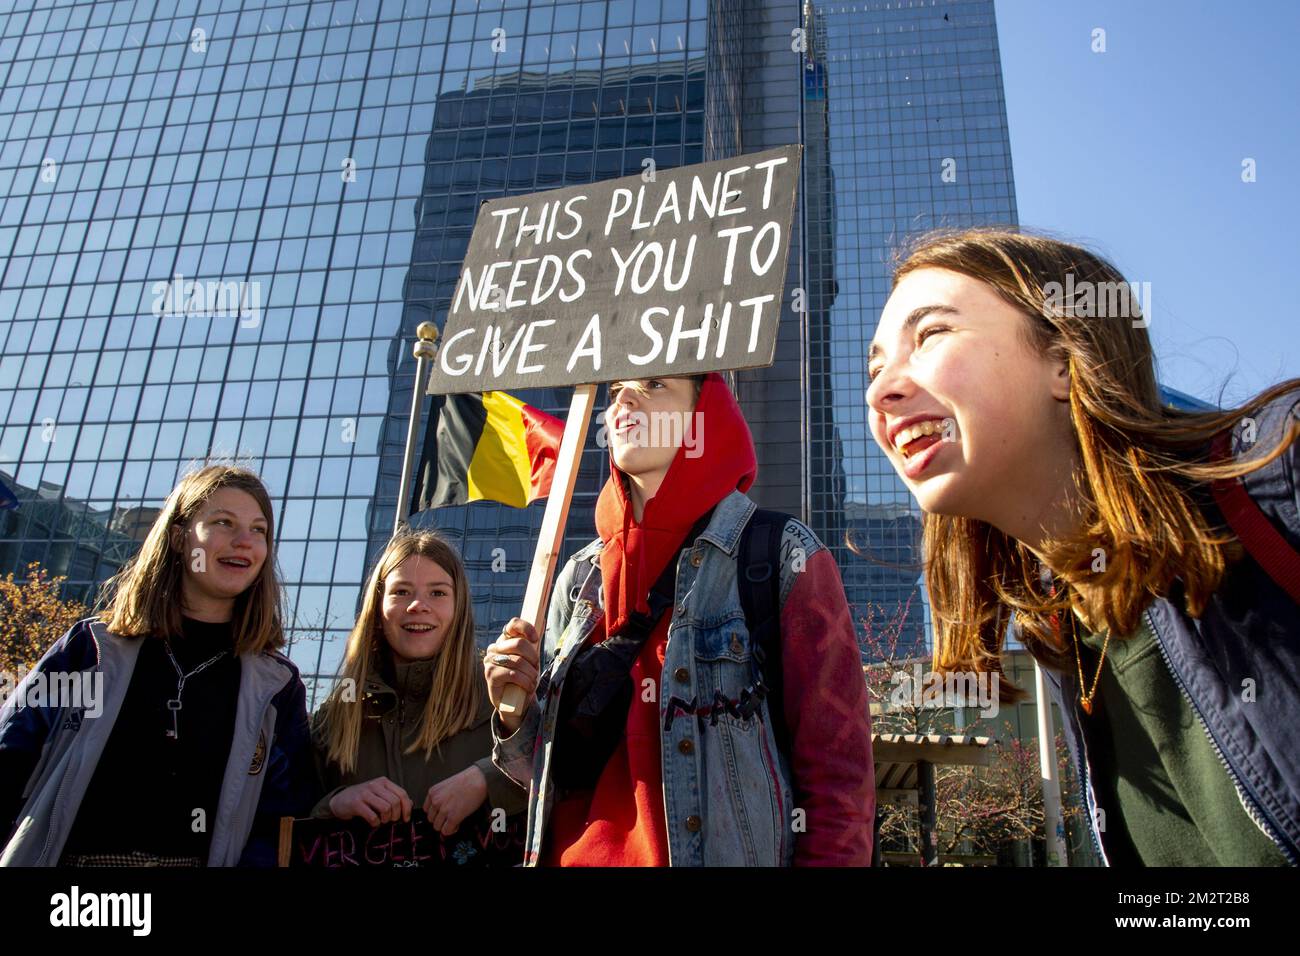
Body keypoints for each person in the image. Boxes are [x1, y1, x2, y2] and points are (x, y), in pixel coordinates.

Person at [864, 227, 1300, 865]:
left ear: (1066, 363)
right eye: (874, 370)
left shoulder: (1279, 476)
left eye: (930, 334)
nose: (880, 392)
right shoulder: (1061, 624)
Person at [484, 373, 875, 866]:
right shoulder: (577, 578)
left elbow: (839, 778)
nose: (624, 397)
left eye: (652, 384)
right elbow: (544, 780)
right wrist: (514, 715)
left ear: (702, 414)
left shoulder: (783, 556)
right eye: (615, 390)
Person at [0, 464, 315, 866]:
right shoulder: (93, 649)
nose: (244, 542)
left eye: (259, 530)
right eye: (223, 522)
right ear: (179, 538)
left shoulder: (277, 685)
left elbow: (283, 813)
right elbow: (11, 757)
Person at [311, 531, 526, 857]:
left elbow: (558, 777)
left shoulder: (499, 696)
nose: (417, 605)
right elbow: (282, 818)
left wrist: (486, 778)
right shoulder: (335, 716)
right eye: (401, 592)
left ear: (459, 610)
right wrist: (335, 804)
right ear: (378, 609)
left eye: (437, 593)